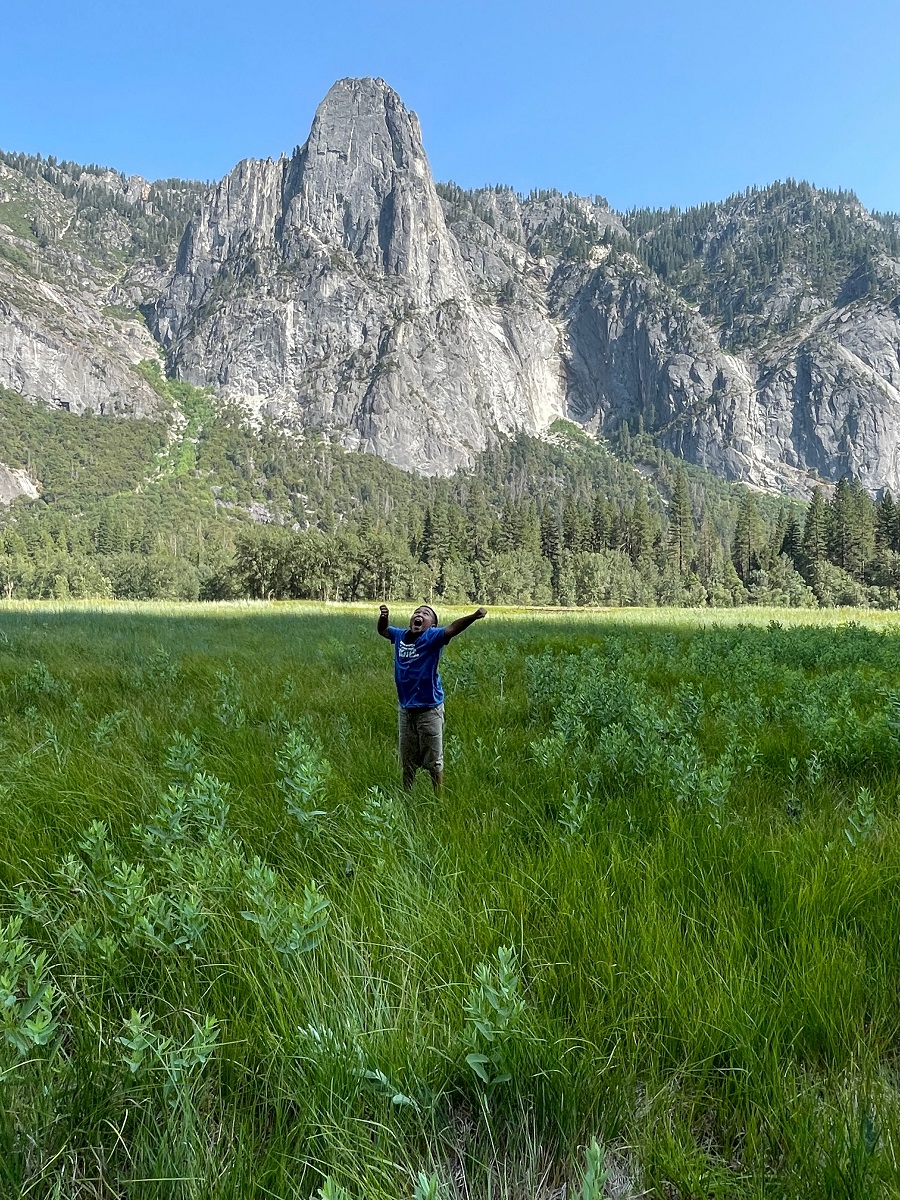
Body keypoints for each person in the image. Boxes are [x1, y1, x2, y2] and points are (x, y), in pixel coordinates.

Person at [377, 603, 487, 793]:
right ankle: (406, 795)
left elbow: (452, 628)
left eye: (426, 614)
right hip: (406, 709)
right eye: (417, 612)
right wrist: (384, 617)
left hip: (429, 709)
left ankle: (439, 799)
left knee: (434, 761)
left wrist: (474, 616)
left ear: (433, 626)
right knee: (408, 758)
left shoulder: (432, 637)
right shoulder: (400, 636)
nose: (419, 615)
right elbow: (383, 630)